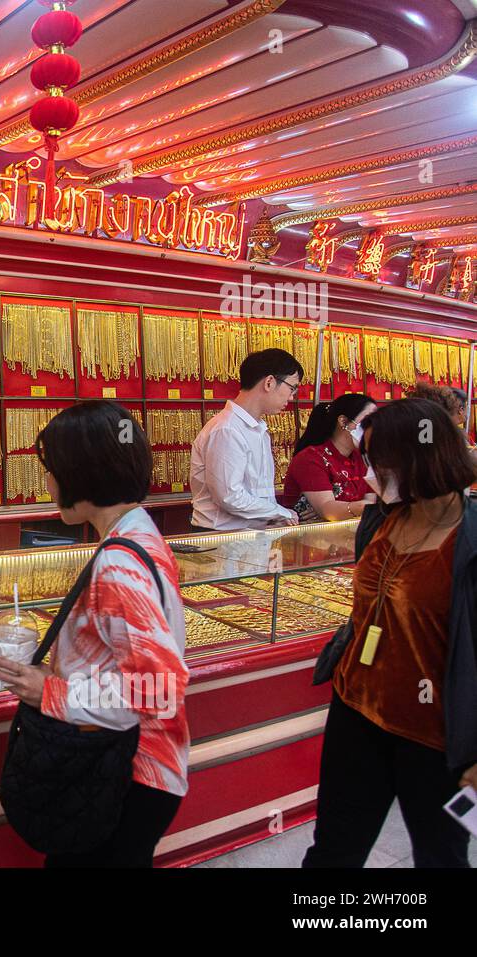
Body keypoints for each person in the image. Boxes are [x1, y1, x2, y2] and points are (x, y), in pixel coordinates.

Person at [0, 401, 189, 867]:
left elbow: (156, 691)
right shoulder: (138, 534)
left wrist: (49, 692)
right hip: (140, 767)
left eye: (52, 469)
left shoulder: (119, 566)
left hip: (126, 774)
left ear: (82, 472)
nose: (49, 482)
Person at [303, 398, 477, 868]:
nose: (370, 475)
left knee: (440, 856)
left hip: (432, 733)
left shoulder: (469, 542)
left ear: (423, 460)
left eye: (381, 463)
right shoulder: (382, 516)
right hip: (356, 710)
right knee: (333, 851)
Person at [189, 348, 303, 531]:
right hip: (222, 539)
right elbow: (230, 496)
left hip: (250, 537)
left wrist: (274, 515)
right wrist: (280, 512)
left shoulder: (258, 430)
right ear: (269, 382)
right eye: (292, 387)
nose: (291, 397)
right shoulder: (227, 429)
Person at [280, 393, 375, 522]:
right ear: (343, 421)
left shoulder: (362, 458)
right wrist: (361, 507)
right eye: (367, 421)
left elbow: (370, 500)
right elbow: (328, 509)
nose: (373, 427)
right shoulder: (311, 458)